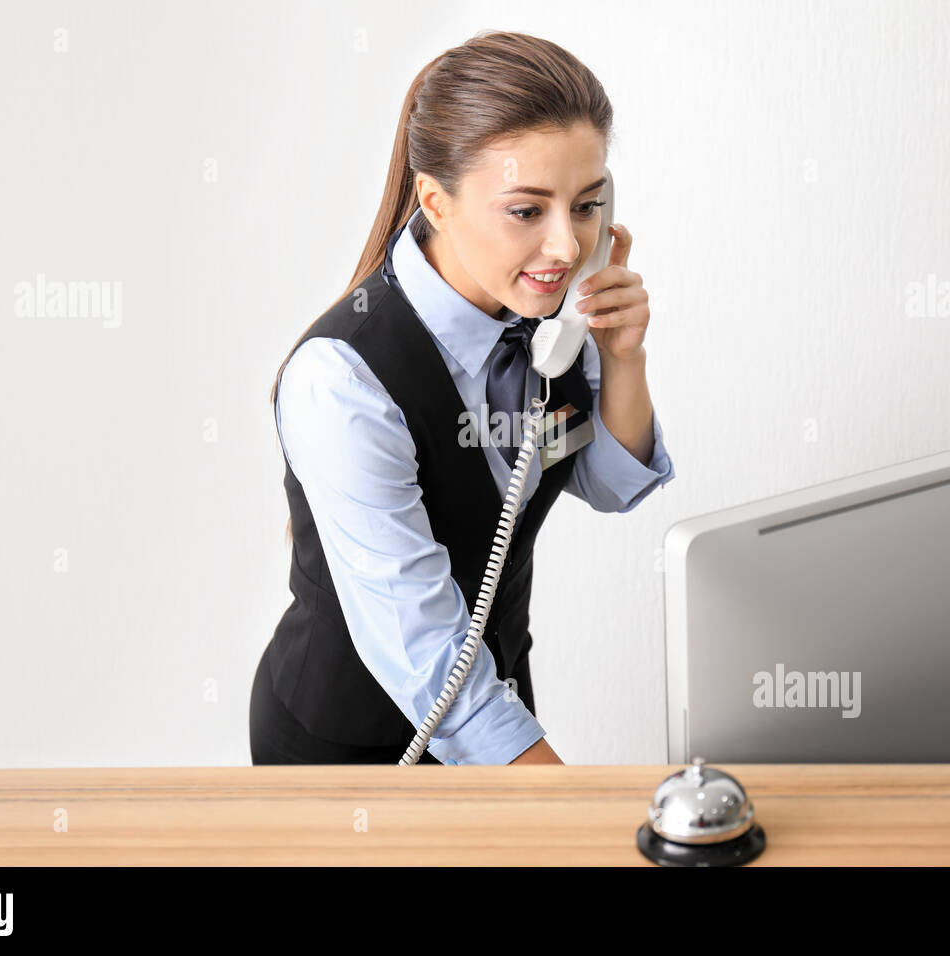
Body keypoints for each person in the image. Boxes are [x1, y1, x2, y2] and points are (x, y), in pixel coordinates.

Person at [250, 30, 675, 766]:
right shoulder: (341, 381)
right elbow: (422, 648)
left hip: (498, 713)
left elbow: (612, 486)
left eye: (586, 206)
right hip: (354, 747)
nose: (568, 248)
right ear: (436, 202)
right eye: (526, 210)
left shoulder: (548, 324)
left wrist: (621, 355)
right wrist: (572, 813)